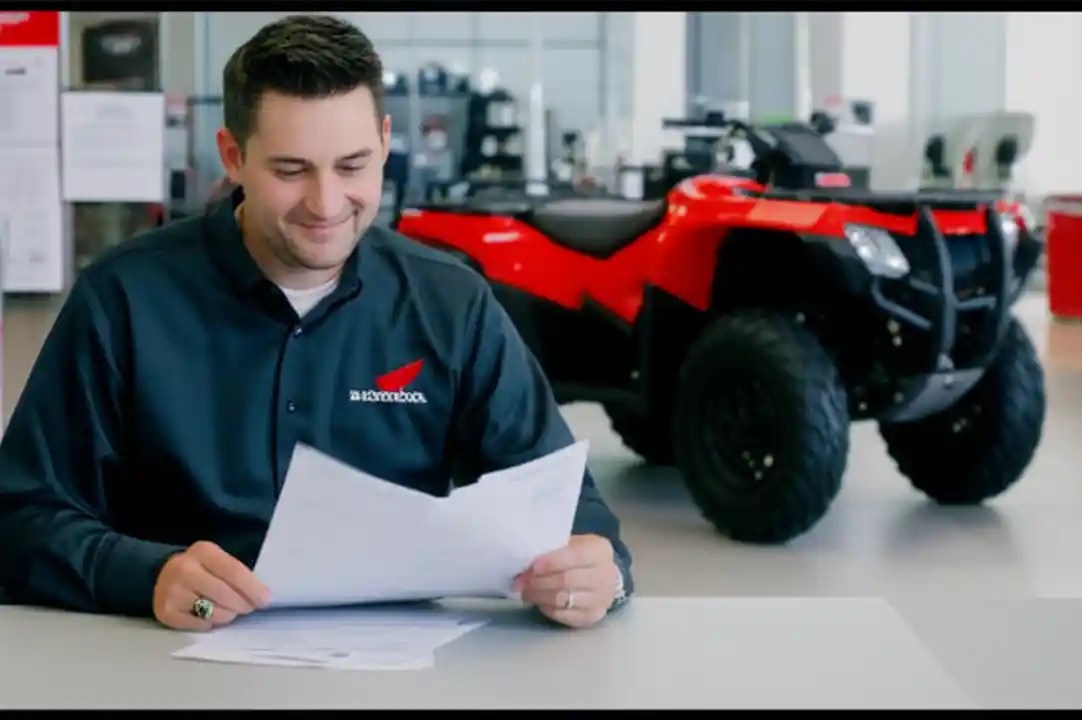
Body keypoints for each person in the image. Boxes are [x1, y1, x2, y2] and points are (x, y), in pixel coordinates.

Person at [0, 15, 633, 631]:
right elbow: (20, 519)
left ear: (386, 141)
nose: (326, 205)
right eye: (291, 170)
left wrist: (598, 572)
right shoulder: (124, 299)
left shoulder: (451, 304)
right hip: (169, 661)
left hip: (397, 671)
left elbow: (566, 507)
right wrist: (146, 575)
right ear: (232, 155)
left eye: (353, 166)